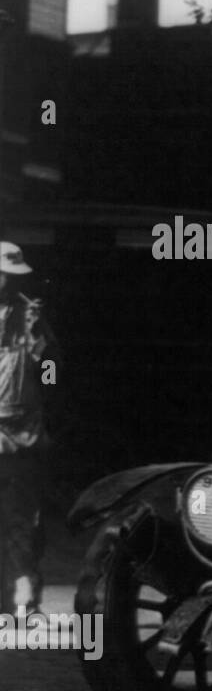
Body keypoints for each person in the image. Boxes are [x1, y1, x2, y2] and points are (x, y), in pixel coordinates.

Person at [0, 241, 56, 620]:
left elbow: (53, 376)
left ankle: (24, 596)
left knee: (23, 519)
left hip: (26, 434)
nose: (8, 284)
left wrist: (39, 346)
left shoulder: (31, 318)